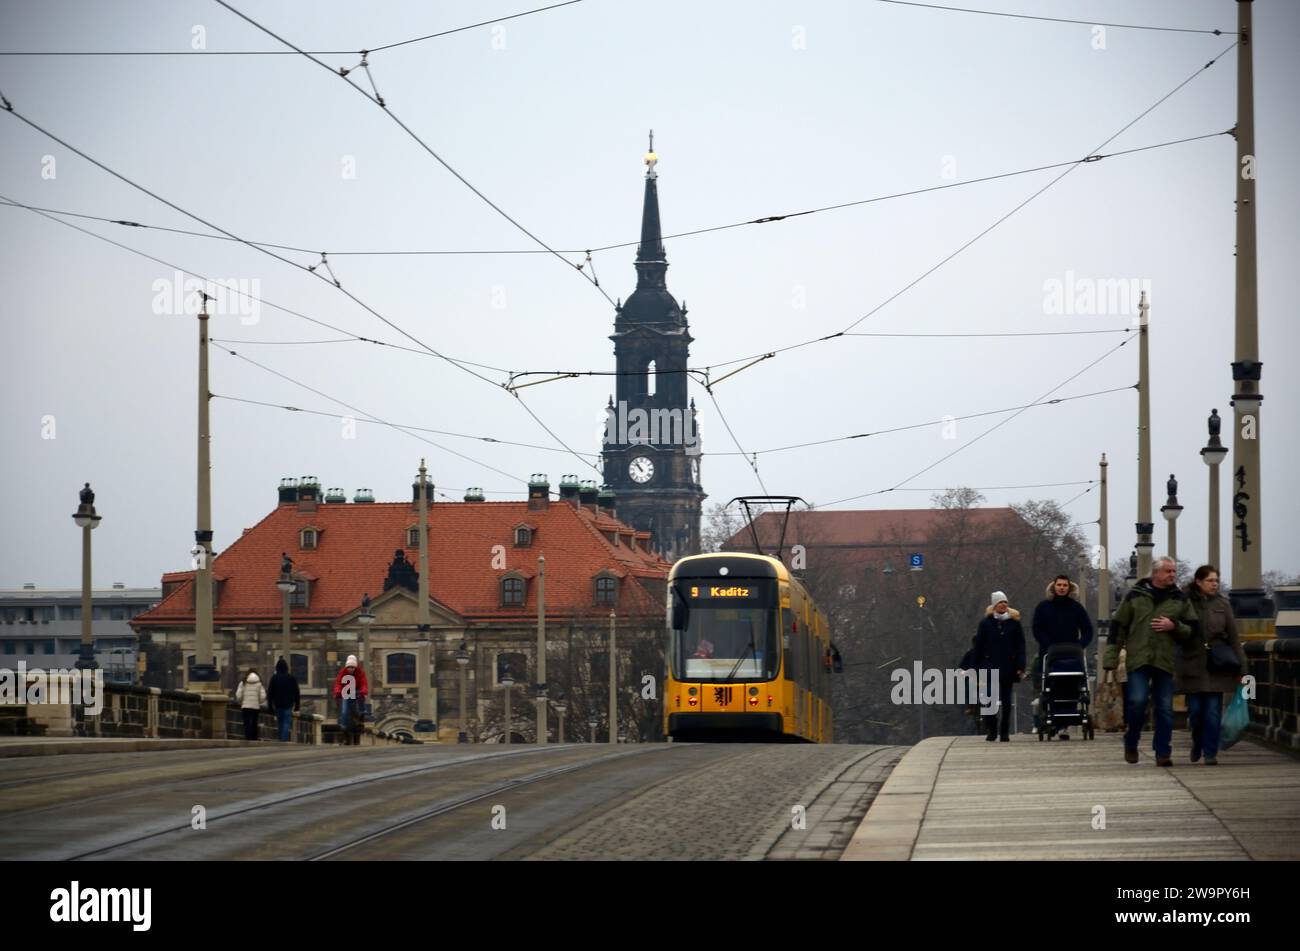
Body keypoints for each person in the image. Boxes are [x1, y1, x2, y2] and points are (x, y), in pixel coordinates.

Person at [1103, 556, 1199, 766]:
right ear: (1156, 573)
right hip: (1138, 659)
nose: (1173, 575)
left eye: (1174, 571)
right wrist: (1110, 658)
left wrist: (1174, 626)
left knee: (1164, 708)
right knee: (1137, 702)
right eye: (1168, 571)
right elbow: (1118, 627)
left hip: (1164, 661)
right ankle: (1131, 740)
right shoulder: (1135, 596)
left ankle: (1163, 752)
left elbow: (1193, 630)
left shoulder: (1179, 599)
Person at [1175, 565, 1247, 765]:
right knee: (1196, 711)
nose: (1214, 584)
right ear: (1198, 582)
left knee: (1213, 711)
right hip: (1193, 663)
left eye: (1216, 580)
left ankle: (1210, 752)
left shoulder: (1223, 605)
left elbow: (1234, 638)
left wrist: (1243, 669)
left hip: (1217, 665)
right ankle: (1197, 741)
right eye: (1210, 580)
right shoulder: (1184, 602)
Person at [1031, 574, 1094, 738]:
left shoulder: (1076, 608)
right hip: (1049, 652)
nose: (1062, 588)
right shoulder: (1043, 607)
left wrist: (1080, 645)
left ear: (1069, 588)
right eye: (1059, 585)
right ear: (1054, 587)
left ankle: (1064, 725)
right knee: (1051, 687)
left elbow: (1088, 629)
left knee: (1072, 687)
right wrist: (1047, 644)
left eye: (1065, 585)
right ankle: (1053, 720)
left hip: (1071, 653)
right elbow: (1036, 629)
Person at [974, 591, 1026, 742]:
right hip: (989, 666)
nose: (1003, 605)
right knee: (989, 699)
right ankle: (992, 729)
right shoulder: (985, 624)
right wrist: (974, 668)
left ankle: (1004, 731)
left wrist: (1020, 665)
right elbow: (979, 647)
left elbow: (1020, 646)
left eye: (1005, 602)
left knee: (1006, 700)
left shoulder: (1014, 624)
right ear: (994, 605)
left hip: (1008, 667)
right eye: (1000, 602)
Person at [333, 654, 369, 745]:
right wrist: (338, 692)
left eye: (352, 667)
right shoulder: (342, 672)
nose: (351, 669)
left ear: (355, 667)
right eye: (349, 667)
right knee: (344, 712)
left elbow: (364, 683)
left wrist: (363, 691)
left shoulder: (360, 672)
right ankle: (345, 732)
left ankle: (362, 717)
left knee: (361, 709)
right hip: (346, 692)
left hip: (357, 692)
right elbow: (338, 683)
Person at [267, 656, 301, 743]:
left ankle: (281, 738)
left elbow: (270, 693)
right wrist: (297, 705)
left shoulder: (274, 678)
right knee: (286, 722)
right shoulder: (291, 678)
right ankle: (284, 739)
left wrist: (270, 705)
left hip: (278, 704)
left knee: (280, 722)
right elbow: (297, 692)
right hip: (288, 704)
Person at [234, 668, 266, 741]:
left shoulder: (243, 683)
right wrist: (259, 702)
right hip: (255, 707)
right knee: (254, 723)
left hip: (245, 706)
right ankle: (254, 738)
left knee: (246, 723)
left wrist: (241, 701)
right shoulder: (259, 684)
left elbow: (238, 695)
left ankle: (247, 737)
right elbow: (263, 696)